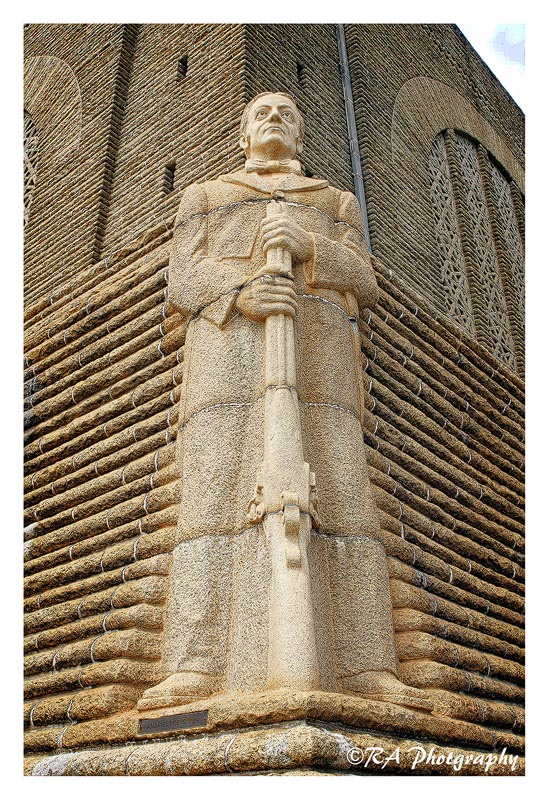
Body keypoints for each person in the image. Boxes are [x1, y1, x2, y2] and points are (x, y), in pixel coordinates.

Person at [139, 92, 432, 712]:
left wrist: (309, 246)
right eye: (261, 114)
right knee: (211, 499)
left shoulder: (333, 202)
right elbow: (182, 278)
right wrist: (241, 288)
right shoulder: (208, 197)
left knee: (345, 502)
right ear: (242, 135)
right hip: (226, 366)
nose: (275, 119)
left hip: (323, 367)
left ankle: (366, 664)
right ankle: (194, 664)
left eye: (289, 115)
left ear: (301, 136)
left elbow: (365, 278)